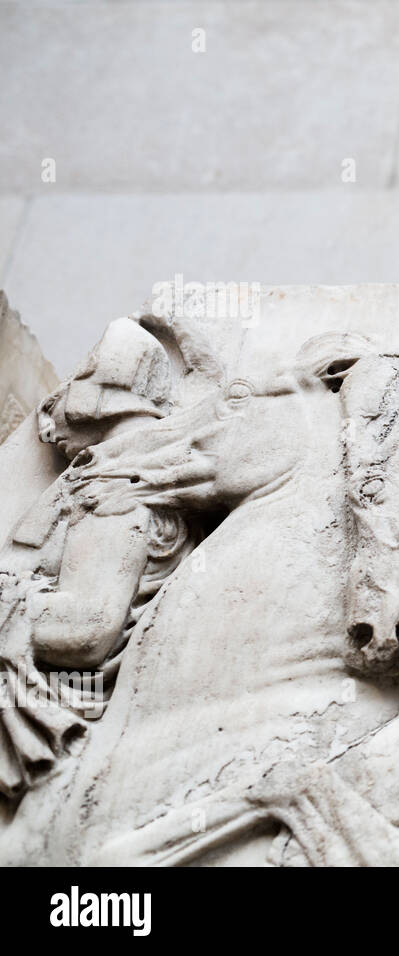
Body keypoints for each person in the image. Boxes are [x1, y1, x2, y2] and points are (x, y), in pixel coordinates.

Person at [0, 318, 199, 801]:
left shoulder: (117, 489)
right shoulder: (112, 476)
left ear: (98, 398)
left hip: (60, 708)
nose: (49, 432)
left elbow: (87, 627)